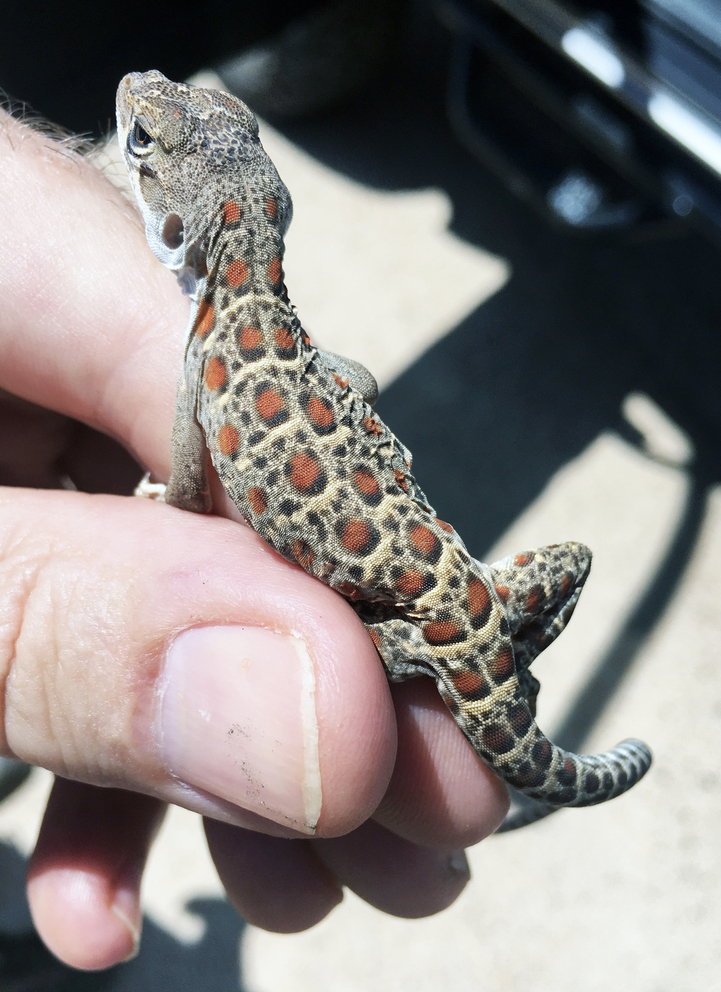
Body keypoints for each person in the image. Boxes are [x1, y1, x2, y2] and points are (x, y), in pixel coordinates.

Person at [0, 108, 508, 971]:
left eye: (143, 146)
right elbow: (356, 380)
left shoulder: (205, 351)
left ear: (182, 220)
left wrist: (172, 502)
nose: (140, 103)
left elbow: (187, 485)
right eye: (145, 140)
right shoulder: (241, 331)